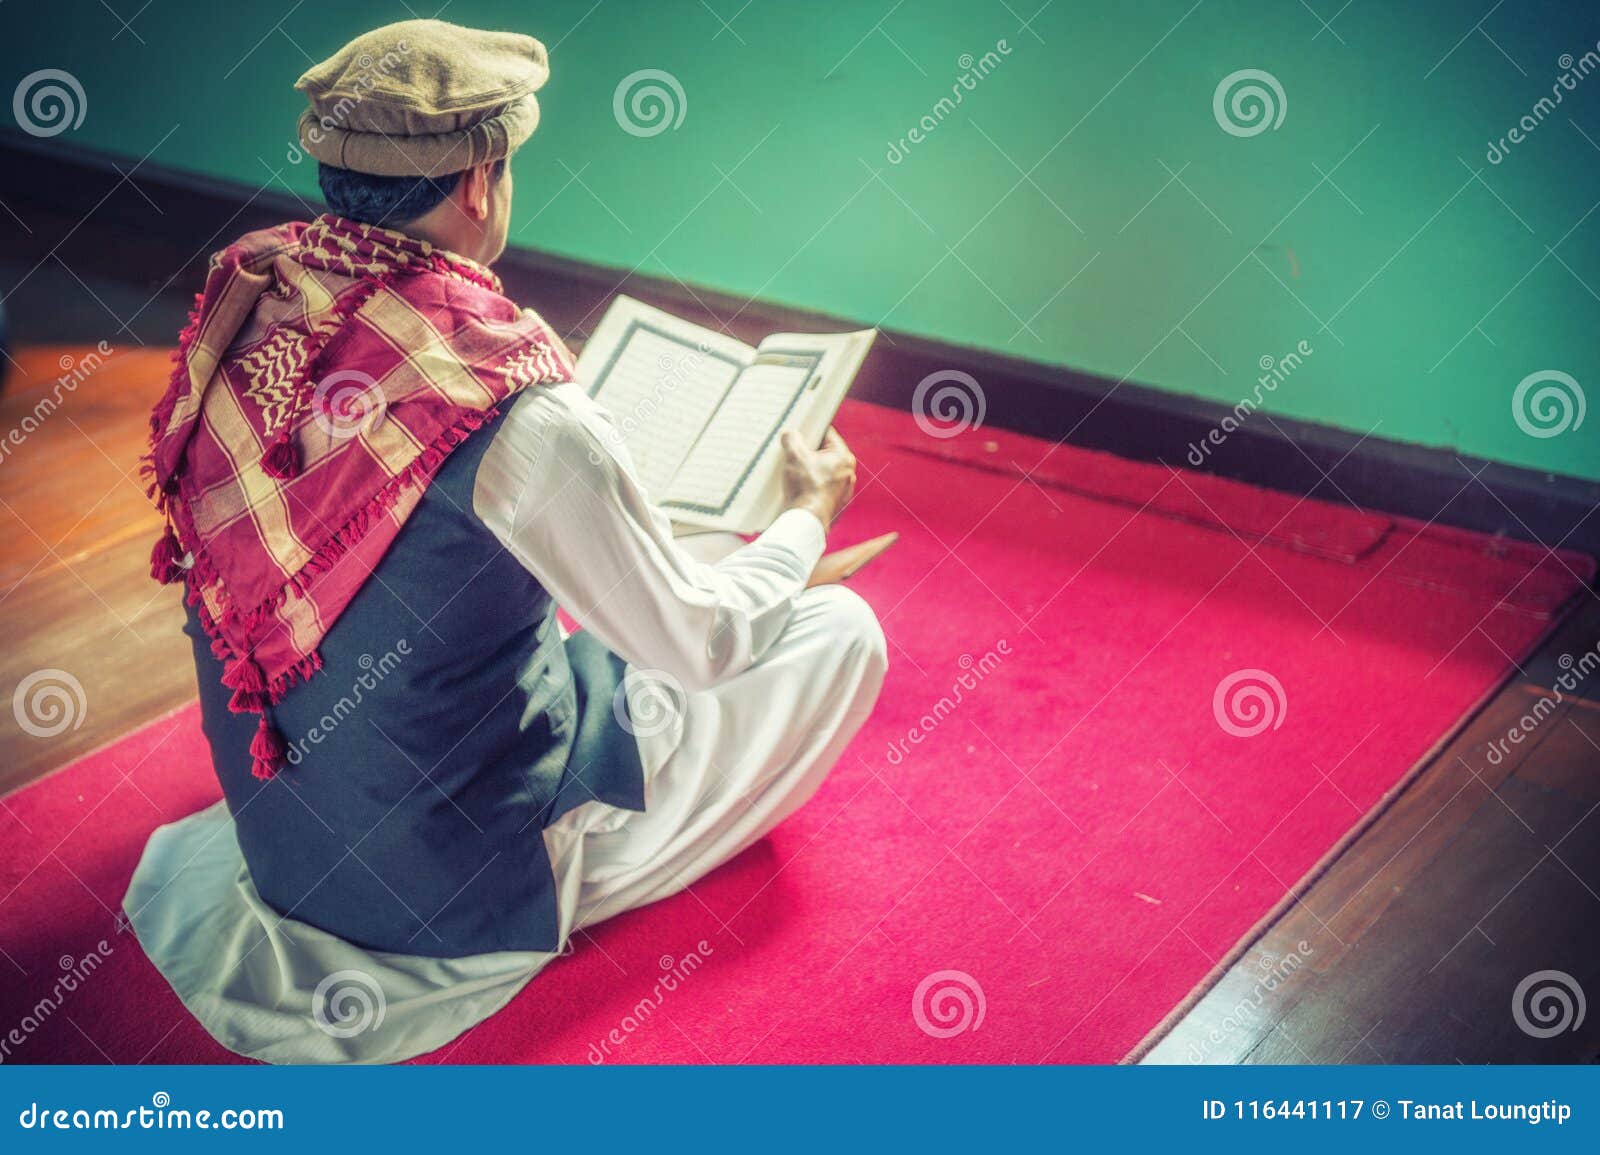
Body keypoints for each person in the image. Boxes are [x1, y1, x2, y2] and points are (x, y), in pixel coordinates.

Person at [122, 18, 886, 1064]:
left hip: (283, 834)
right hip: (440, 895)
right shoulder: (513, 406)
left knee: (604, 573)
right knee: (837, 631)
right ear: (480, 184)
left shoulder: (252, 293)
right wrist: (807, 517)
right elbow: (700, 647)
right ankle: (559, 877)